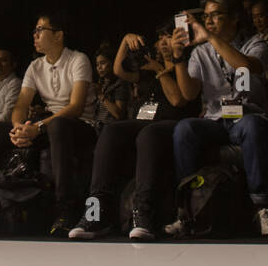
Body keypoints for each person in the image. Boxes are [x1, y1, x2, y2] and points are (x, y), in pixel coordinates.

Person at [0, 11, 97, 236]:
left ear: (58, 36)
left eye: (40, 30)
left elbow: (75, 107)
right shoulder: (35, 66)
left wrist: (38, 127)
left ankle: (66, 208)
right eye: (34, 30)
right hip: (47, 124)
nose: (34, 35)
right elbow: (21, 104)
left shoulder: (77, 60)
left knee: (57, 125)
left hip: (79, 125)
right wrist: (18, 127)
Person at [166, 0, 268, 237]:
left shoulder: (256, 43)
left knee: (252, 126)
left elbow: (245, 67)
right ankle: (187, 211)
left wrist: (209, 37)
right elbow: (188, 94)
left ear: (234, 18)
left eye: (215, 15)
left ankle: (263, 209)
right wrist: (177, 58)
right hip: (216, 120)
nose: (208, 21)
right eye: (206, 17)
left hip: (247, 117)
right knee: (184, 129)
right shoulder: (200, 52)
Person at [69, 23, 201, 240]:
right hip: (142, 122)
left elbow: (178, 100)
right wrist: (125, 39)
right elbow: (118, 70)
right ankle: (95, 212)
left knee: (148, 134)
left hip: (171, 124)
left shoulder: (183, 66)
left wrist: (161, 70)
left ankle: (143, 214)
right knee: (112, 131)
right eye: (160, 38)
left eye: (168, 37)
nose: (163, 42)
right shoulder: (148, 69)